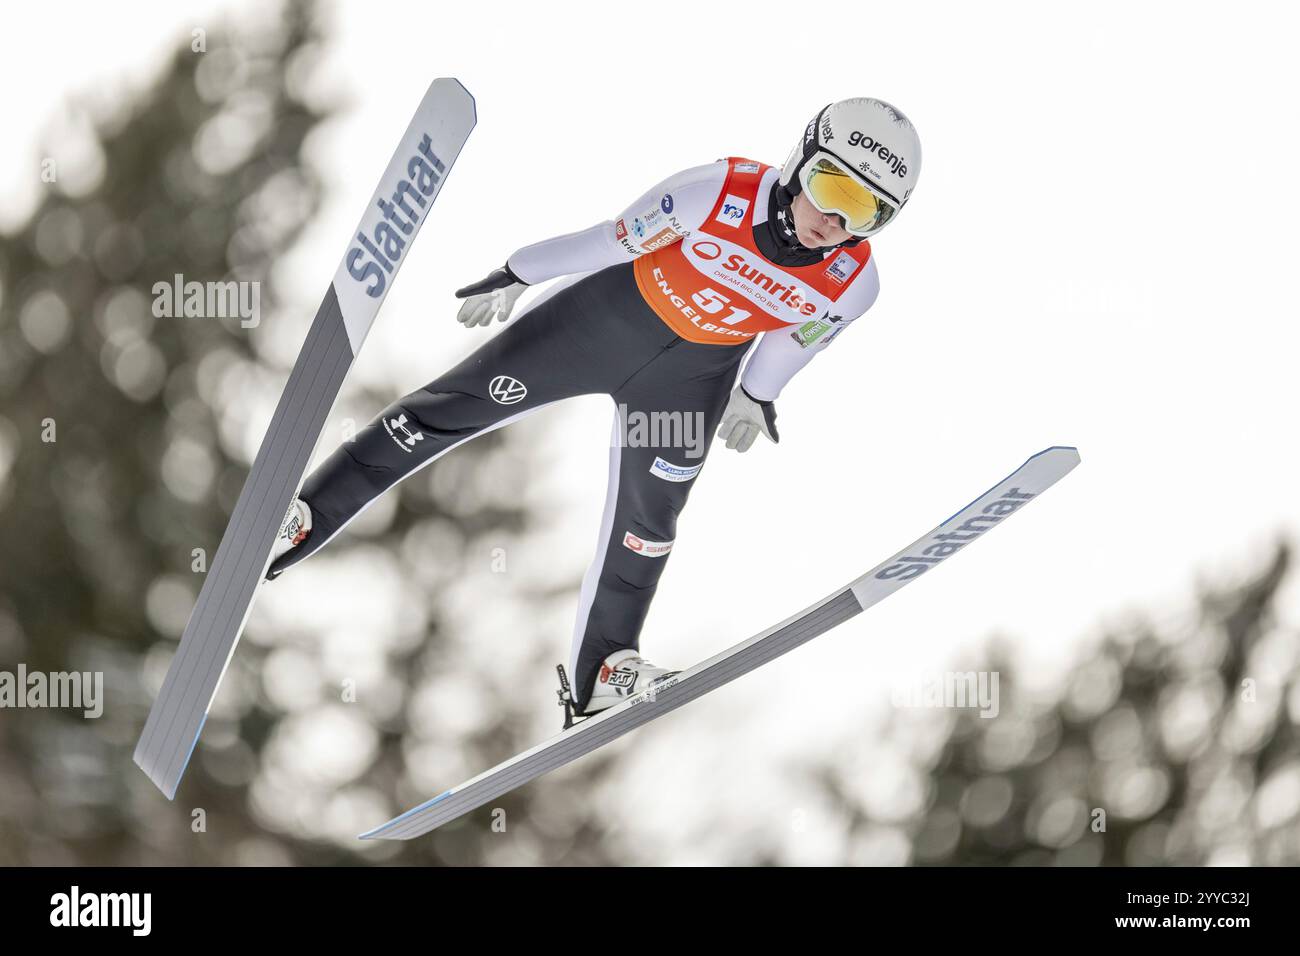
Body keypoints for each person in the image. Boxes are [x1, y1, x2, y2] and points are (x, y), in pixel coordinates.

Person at [268, 97, 922, 716]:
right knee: (447, 410)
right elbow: (611, 240)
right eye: (834, 190)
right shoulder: (716, 192)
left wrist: (757, 396)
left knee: (651, 522)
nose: (833, 221)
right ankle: (303, 516)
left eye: (864, 213)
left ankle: (604, 672)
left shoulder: (853, 283)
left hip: (689, 382)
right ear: (801, 160)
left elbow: (793, 339)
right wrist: (521, 271)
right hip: (598, 328)